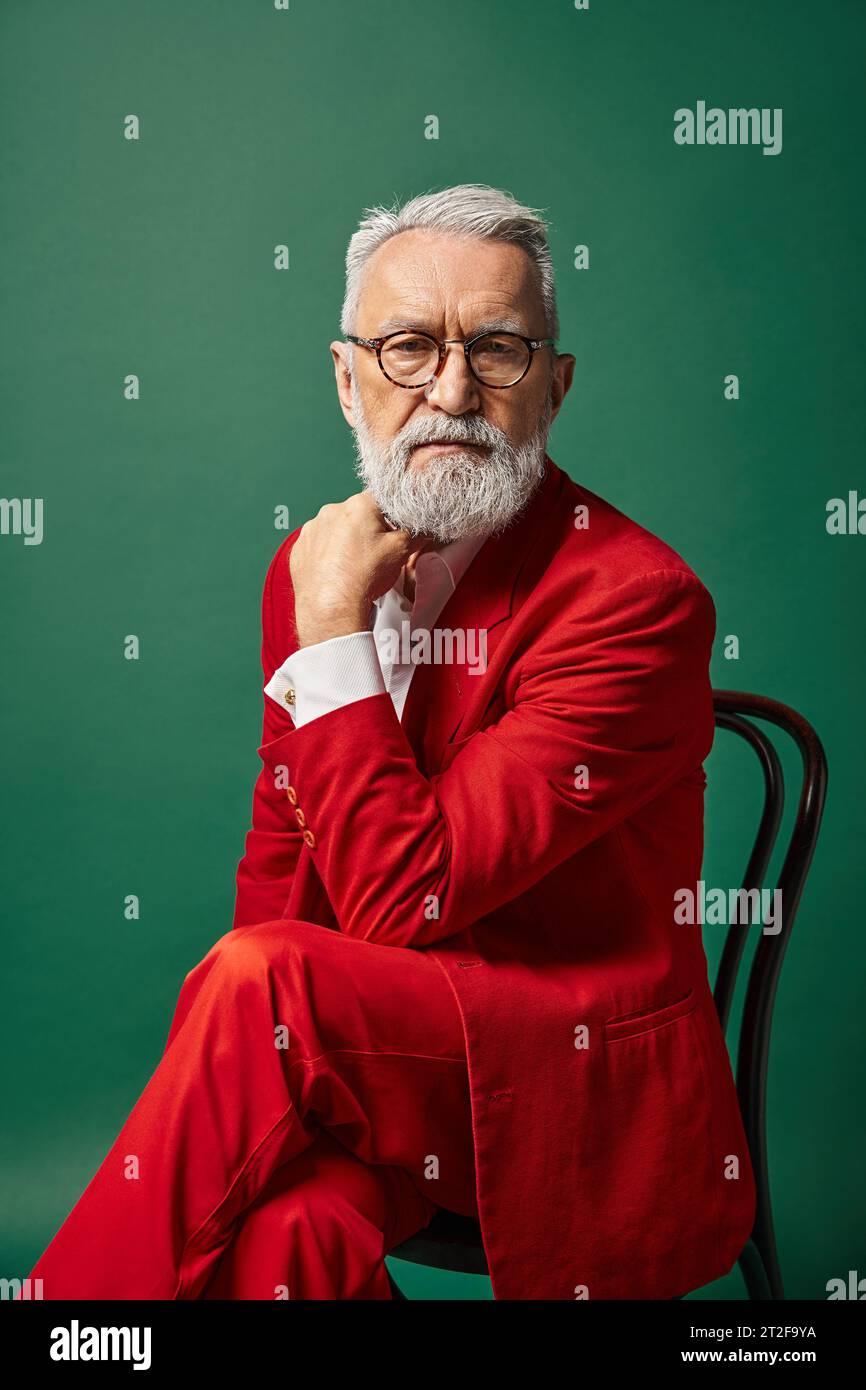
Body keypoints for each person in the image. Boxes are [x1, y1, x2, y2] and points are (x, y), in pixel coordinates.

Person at [27, 183, 756, 1300]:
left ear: (553, 387)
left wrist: (331, 634)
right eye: (409, 346)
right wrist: (238, 1104)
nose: (450, 391)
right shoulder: (311, 569)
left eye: (498, 351)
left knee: (263, 983)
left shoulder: (634, 601)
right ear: (345, 378)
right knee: (286, 1236)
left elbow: (400, 897)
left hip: (557, 1079)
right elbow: (283, 854)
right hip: (368, 1064)